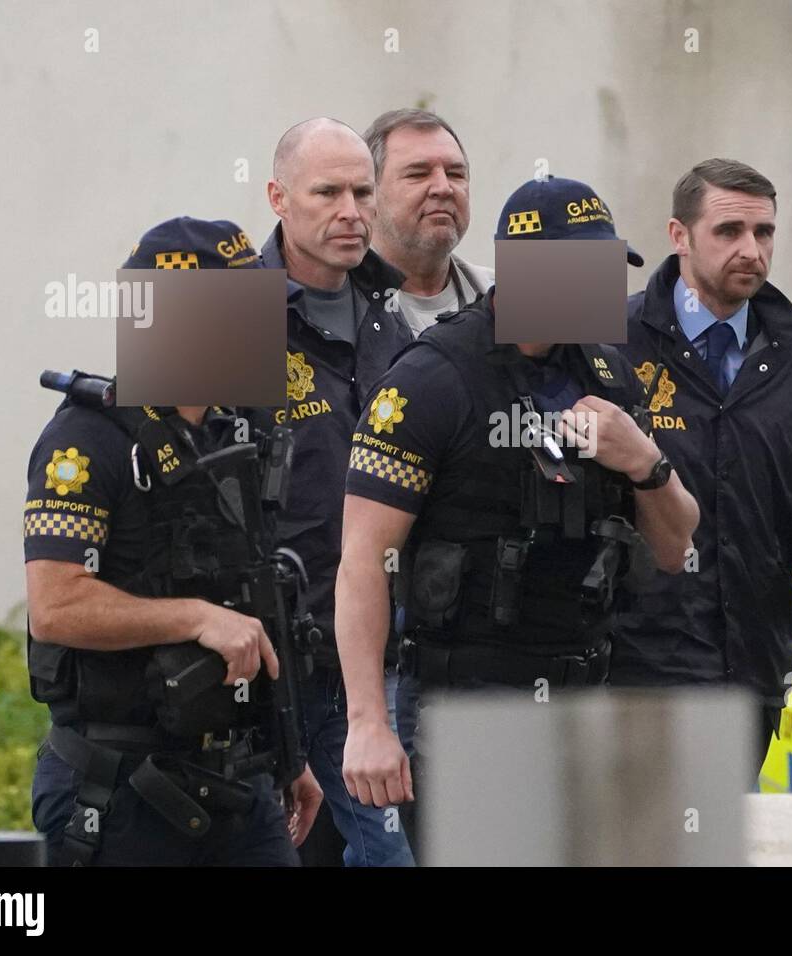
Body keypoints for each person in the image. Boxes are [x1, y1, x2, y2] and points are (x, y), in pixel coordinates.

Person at [334, 175, 700, 857]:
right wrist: (367, 723)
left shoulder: (608, 375)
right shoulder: (432, 379)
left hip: (587, 700)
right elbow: (361, 561)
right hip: (467, 705)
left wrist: (643, 459)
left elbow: (677, 546)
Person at [25, 216, 322, 865]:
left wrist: (287, 753)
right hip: (123, 790)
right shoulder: (85, 440)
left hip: (238, 784)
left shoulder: (228, 439)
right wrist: (194, 619)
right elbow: (55, 607)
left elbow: (251, 603)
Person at [612, 159, 792, 772]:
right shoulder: (615, 336)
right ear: (679, 236)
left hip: (748, 664)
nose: (751, 249)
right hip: (633, 661)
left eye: (764, 232)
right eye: (729, 232)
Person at [262, 117, 415, 866]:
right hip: (271, 660)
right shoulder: (227, 319)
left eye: (362, 190)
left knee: (390, 855)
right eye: (327, 192)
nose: (351, 210)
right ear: (279, 198)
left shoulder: (397, 317)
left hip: (385, 655)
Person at [363, 108, 494, 335]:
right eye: (418, 174)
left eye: (455, 174)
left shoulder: (506, 295)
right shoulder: (316, 307)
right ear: (368, 193)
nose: (444, 188)